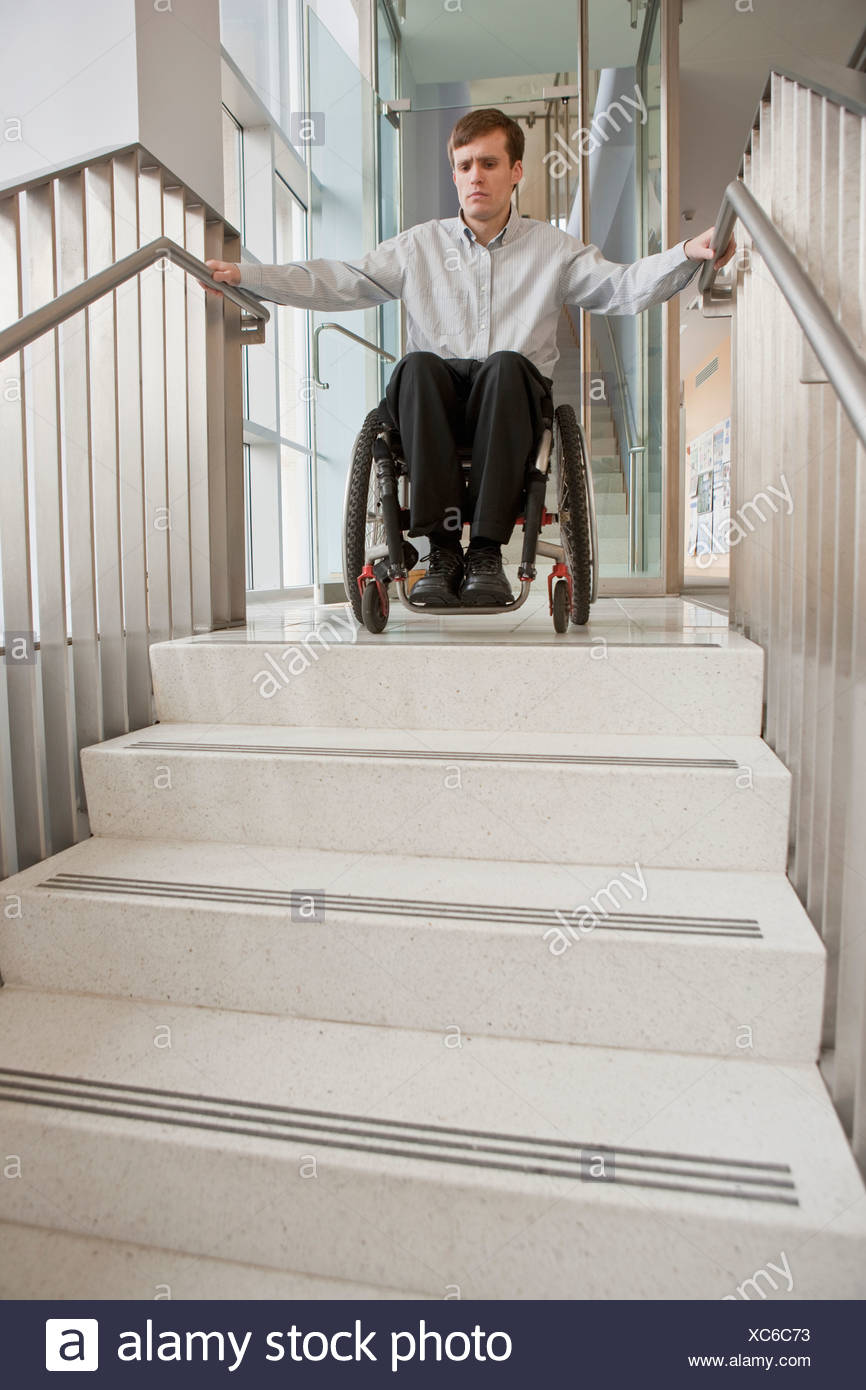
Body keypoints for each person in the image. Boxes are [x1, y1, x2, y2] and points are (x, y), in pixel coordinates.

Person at [206, 107, 734, 607]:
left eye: (488, 163)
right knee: (414, 365)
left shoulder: (553, 249)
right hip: (435, 402)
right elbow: (340, 280)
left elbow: (621, 285)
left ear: (516, 171)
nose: (475, 175)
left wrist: (686, 252)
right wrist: (251, 276)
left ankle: (484, 553)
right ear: (454, 175)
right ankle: (440, 554)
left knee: (505, 364)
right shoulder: (418, 247)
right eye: (465, 165)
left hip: (511, 397)